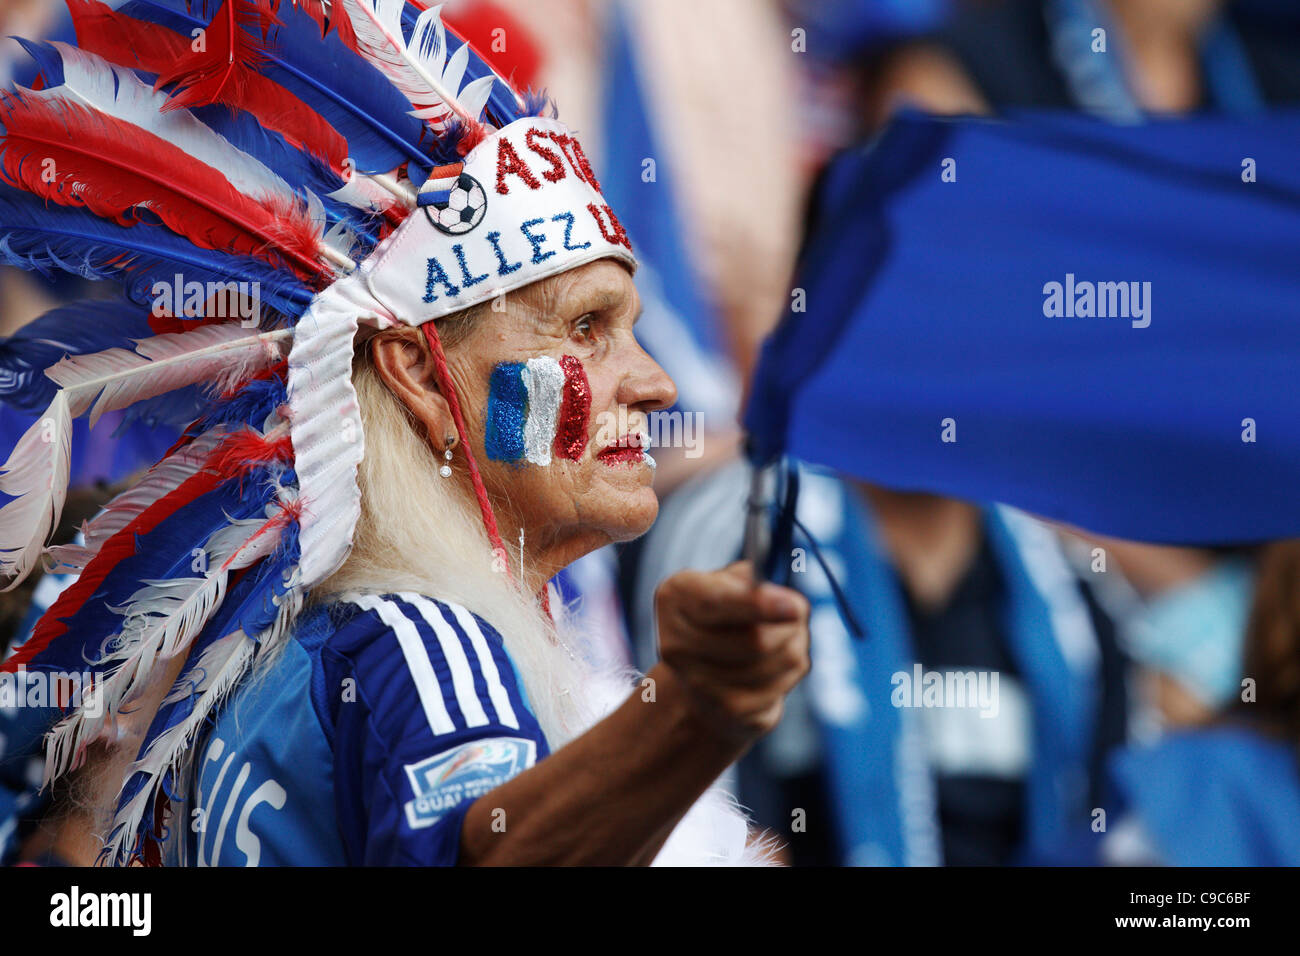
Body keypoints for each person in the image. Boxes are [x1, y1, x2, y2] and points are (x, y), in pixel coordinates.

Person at [0, 0, 809, 866]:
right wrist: (690, 713)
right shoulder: (418, 640)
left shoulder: (283, 647)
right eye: (584, 329)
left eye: (633, 329)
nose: (656, 385)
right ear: (419, 375)